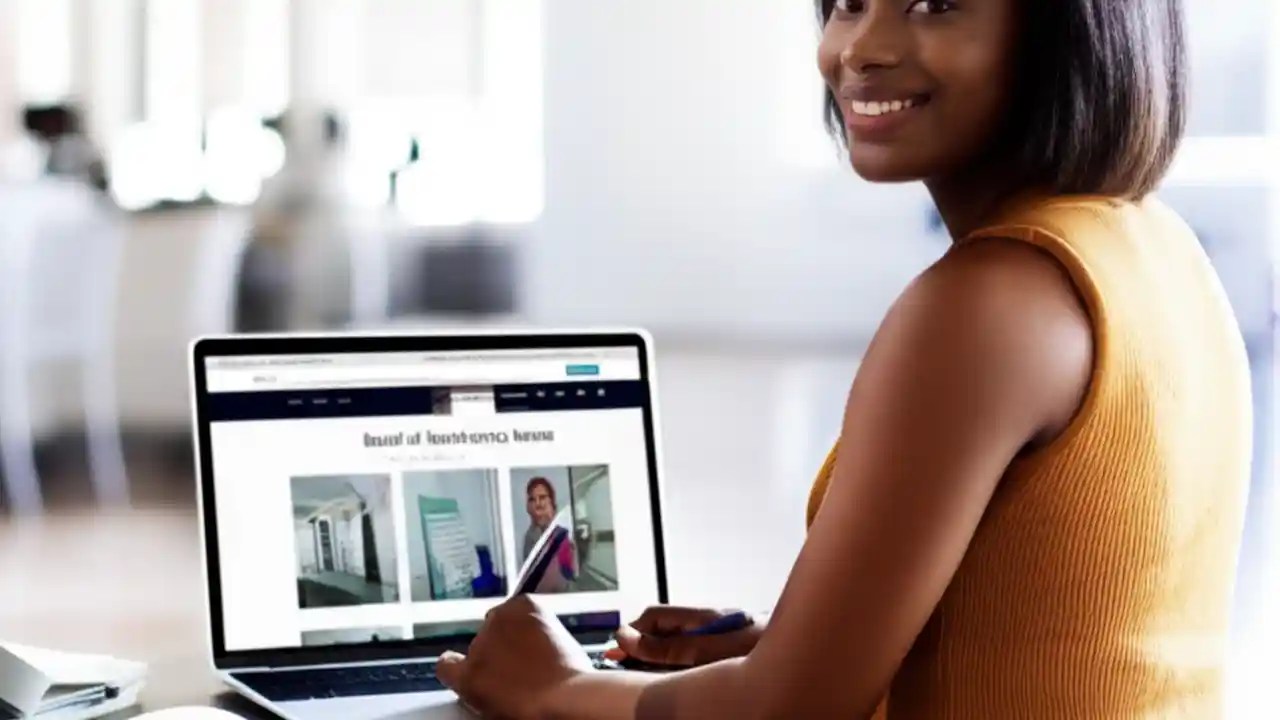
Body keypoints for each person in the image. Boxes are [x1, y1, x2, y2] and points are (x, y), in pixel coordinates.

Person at [438, 1, 1251, 717]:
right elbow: (1075, 635)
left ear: (1066, 31)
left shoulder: (987, 302)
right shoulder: (1155, 247)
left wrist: (558, 693)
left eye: (935, 4)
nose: (862, 47)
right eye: (851, 3)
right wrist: (791, 644)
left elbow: (784, 712)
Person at [521, 478, 576, 592]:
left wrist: (551, 521)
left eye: (542, 497)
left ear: (551, 500)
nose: (538, 504)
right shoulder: (530, 537)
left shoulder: (567, 526)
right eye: (532, 499)